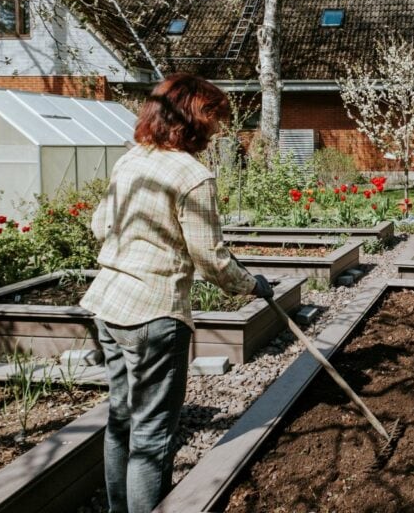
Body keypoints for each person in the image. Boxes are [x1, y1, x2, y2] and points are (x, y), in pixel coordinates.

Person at [80, 73, 273, 513]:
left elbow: (98, 224)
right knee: (152, 432)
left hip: (109, 305)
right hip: (152, 314)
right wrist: (251, 285)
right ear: (194, 119)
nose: (218, 129)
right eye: (215, 119)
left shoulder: (132, 160)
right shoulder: (192, 175)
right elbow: (210, 257)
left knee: (121, 419)